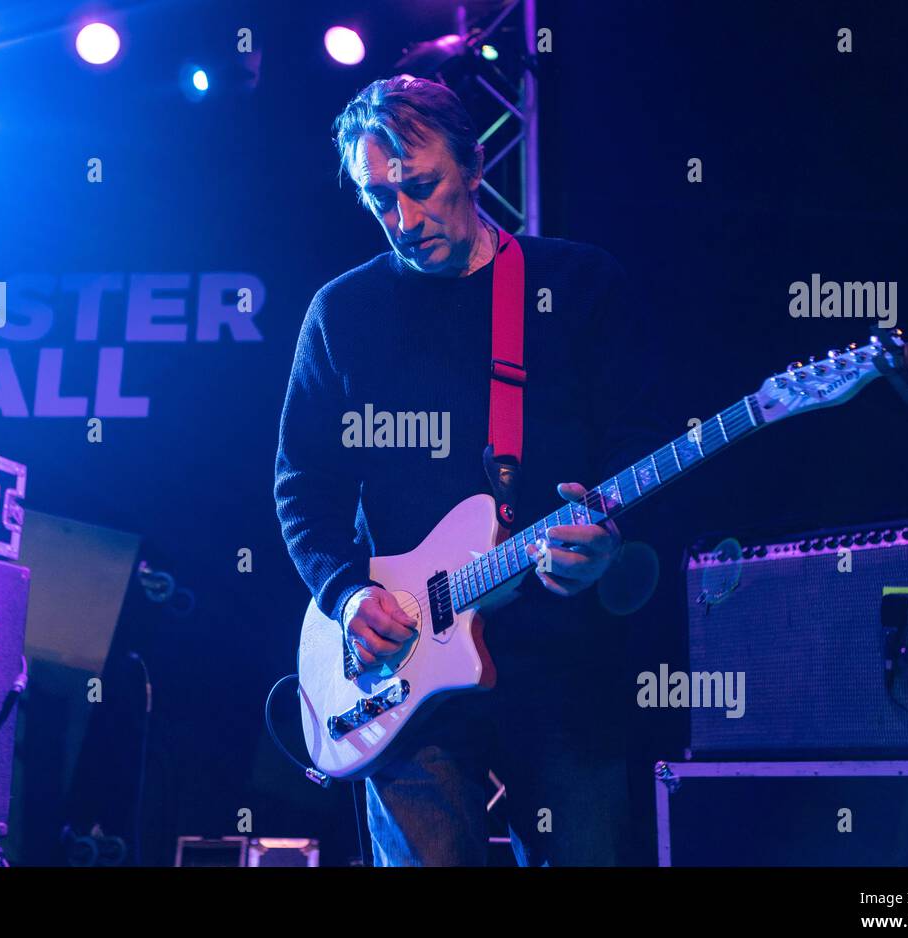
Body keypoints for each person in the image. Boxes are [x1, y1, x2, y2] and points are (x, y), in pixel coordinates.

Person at [275, 76, 655, 866]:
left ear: (476, 166)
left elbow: (636, 444)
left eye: (420, 188)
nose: (404, 222)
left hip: (561, 665)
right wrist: (346, 596)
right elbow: (303, 485)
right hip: (405, 669)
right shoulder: (341, 315)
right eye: (380, 199)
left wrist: (610, 537)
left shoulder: (578, 285)